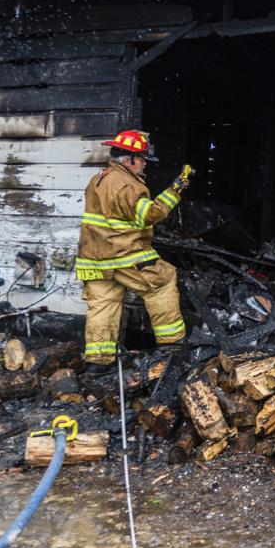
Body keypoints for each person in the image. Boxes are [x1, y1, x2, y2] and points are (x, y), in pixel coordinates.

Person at [76, 129, 190, 371]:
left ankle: (98, 361)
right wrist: (174, 191)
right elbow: (149, 215)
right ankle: (171, 346)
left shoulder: (98, 179)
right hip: (124, 254)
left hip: (94, 258)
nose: (145, 165)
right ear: (129, 160)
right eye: (142, 159)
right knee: (163, 281)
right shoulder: (127, 184)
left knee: (103, 304)